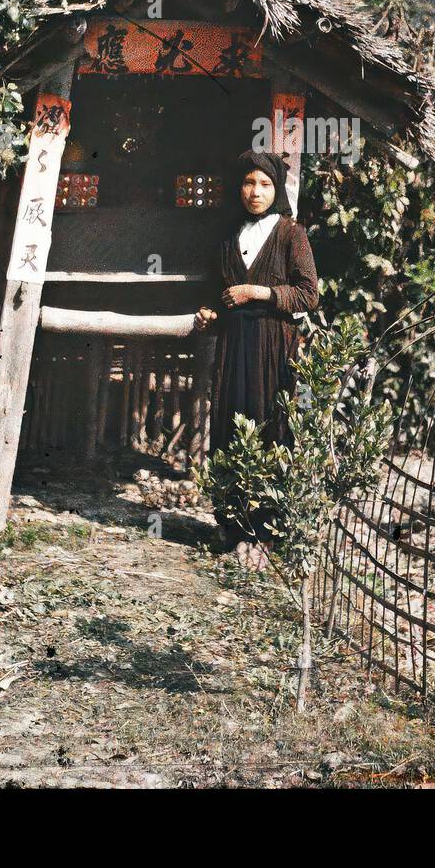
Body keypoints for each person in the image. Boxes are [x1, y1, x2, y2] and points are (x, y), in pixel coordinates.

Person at [194, 149, 319, 566]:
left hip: (272, 345)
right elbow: (221, 287)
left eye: (264, 185)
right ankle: (232, 529)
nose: (255, 192)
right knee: (231, 424)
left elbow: (308, 294)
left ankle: (265, 535)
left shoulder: (290, 234)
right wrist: (213, 309)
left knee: (268, 425)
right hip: (234, 343)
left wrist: (258, 293)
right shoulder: (230, 235)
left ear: (277, 189)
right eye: (249, 183)